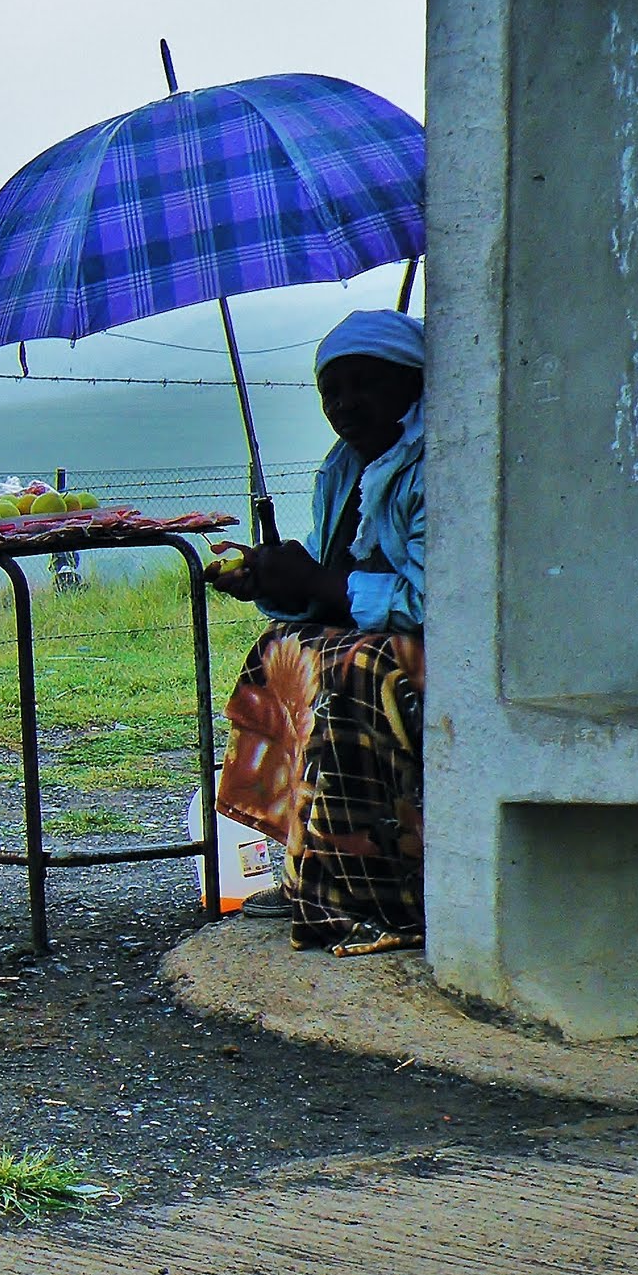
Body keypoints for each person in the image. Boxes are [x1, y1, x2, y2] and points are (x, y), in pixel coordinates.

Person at [207, 308, 425, 956]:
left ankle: (378, 893)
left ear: (413, 386)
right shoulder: (344, 469)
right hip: (379, 637)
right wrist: (276, 583)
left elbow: (435, 600)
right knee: (283, 647)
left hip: (440, 648)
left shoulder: (435, 463)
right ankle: (311, 867)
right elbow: (334, 584)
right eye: (331, 390)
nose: (344, 405)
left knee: (355, 671)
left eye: (365, 385)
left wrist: (317, 584)